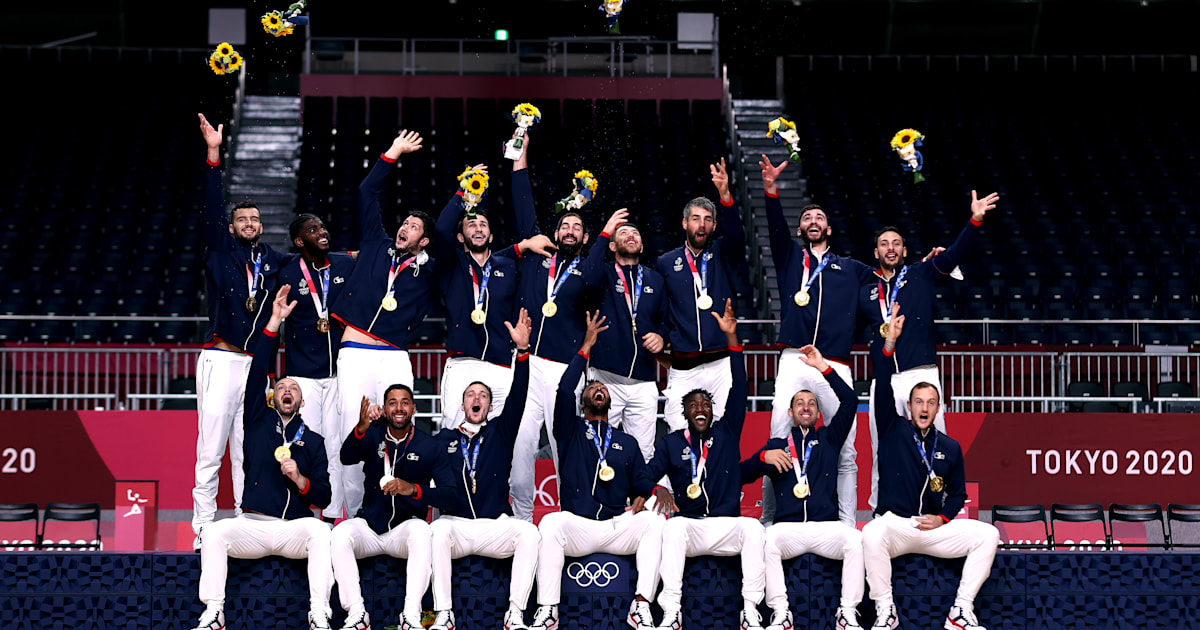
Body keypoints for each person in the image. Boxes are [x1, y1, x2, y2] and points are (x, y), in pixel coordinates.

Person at [190, 286, 334, 630]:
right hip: (253, 526)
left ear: (302, 402)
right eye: (281, 387)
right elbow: (257, 374)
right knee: (213, 534)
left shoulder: (314, 441)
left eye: (293, 389)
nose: (287, 391)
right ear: (273, 397)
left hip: (293, 528)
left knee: (322, 531)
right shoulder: (256, 421)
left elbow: (324, 496)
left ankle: (319, 612)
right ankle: (214, 611)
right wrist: (273, 323)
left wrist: (300, 479)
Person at [863, 303, 999, 630]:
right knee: (870, 533)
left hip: (933, 529)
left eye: (931, 403)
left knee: (988, 534)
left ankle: (961, 610)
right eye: (918, 402)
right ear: (909, 406)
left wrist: (943, 518)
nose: (924, 408)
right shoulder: (892, 428)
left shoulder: (950, 447)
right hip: (897, 525)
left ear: (939, 408)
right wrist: (889, 344)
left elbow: (958, 495)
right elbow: (882, 381)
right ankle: (885, 611)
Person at [758, 154, 877, 528]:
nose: (813, 221)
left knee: (846, 450)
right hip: (794, 358)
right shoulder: (789, 259)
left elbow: (886, 283)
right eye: (807, 217)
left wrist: (927, 267)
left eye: (819, 217)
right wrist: (771, 189)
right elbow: (774, 226)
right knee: (778, 440)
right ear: (800, 229)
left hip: (834, 362)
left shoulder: (851, 268)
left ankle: (846, 525)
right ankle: (770, 519)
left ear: (829, 228)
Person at [861, 190, 999, 509]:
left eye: (896, 243)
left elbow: (954, 255)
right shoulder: (865, 290)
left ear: (905, 250)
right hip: (884, 379)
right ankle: (881, 509)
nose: (890, 248)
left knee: (935, 442)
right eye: (884, 243)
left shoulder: (921, 274)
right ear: (876, 251)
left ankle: (942, 508)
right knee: (882, 446)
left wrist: (975, 220)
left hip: (921, 374)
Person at [527, 311, 664, 630]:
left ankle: (641, 604)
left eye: (602, 388)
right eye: (592, 388)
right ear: (583, 401)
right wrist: (586, 347)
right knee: (551, 523)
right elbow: (564, 391)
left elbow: (642, 481)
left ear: (611, 401)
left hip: (616, 526)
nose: (598, 389)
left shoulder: (626, 441)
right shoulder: (569, 430)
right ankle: (548, 609)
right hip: (579, 526)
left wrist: (649, 492)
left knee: (654, 522)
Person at [192, 113, 292, 547]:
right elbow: (212, 207)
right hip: (221, 359)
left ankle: (243, 522)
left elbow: (315, 261)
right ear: (232, 228)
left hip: (257, 367)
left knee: (248, 449)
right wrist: (214, 155)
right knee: (211, 450)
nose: (249, 224)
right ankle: (202, 528)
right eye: (242, 220)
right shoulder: (220, 252)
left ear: (261, 226)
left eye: (255, 219)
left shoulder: (274, 260)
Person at [328, 130, 439, 520]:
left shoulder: (428, 270)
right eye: (405, 222)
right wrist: (392, 153)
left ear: (424, 241)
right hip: (356, 351)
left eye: (414, 226)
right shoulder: (376, 243)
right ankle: (352, 516)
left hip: (394, 355)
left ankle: (404, 512)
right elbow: (366, 193)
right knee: (354, 426)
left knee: (402, 422)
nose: (406, 226)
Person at [644, 300, 766, 630]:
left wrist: (733, 341)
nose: (700, 409)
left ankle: (750, 609)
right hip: (692, 527)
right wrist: (655, 488)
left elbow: (739, 387)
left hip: (726, 525)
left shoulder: (727, 432)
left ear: (712, 411)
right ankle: (671, 610)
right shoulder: (672, 443)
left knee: (754, 529)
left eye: (706, 405)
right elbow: (644, 475)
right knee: (673, 528)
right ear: (685, 413)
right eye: (694, 405)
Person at [510, 196, 623, 522]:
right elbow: (525, 213)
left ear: (585, 238)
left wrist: (605, 234)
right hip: (527, 363)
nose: (570, 231)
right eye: (565, 226)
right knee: (521, 443)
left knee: (565, 445)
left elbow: (591, 276)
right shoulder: (538, 258)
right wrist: (519, 168)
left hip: (564, 369)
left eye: (577, 227)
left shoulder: (589, 269)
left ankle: (570, 517)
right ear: (556, 233)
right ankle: (522, 520)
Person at [427, 309, 538, 630]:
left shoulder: (500, 432)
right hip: (457, 527)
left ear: (490, 406)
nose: (477, 399)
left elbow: (518, 395)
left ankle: (515, 613)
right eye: (471, 395)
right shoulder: (444, 440)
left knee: (529, 533)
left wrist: (522, 352)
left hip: (493, 526)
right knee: (436, 531)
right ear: (462, 405)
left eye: (483, 396)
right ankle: (443, 613)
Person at [740, 344, 865, 630]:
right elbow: (738, 475)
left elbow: (849, 401)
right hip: (789, 529)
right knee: (767, 539)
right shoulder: (776, 446)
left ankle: (847, 612)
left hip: (825, 527)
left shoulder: (830, 439)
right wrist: (762, 458)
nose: (805, 407)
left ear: (818, 413)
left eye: (811, 403)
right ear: (790, 411)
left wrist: (823, 367)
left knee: (855, 541)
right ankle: (781, 611)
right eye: (800, 403)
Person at [429, 142, 550, 432]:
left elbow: (507, 255)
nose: (478, 228)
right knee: (453, 432)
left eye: (483, 225)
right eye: (471, 225)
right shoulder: (453, 264)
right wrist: (463, 193)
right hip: (462, 362)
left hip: (500, 364)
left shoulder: (506, 265)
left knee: (504, 435)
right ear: (461, 237)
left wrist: (521, 247)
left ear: (491, 235)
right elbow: (440, 230)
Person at [331, 386, 459, 630]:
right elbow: (346, 457)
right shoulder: (373, 434)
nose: (399, 408)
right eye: (392, 402)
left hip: (404, 530)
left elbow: (450, 496)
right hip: (370, 526)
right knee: (340, 534)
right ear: (384, 409)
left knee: (422, 531)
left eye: (404, 402)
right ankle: (357, 612)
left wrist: (414, 489)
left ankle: (411, 614)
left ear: (414, 408)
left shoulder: (429, 445)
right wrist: (361, 428)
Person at [656, 158, 747, 430]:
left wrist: (725, 195)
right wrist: (660, 344)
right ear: (685, 223)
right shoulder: (666, 262)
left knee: (723, 430)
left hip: (720, 363)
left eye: (708, 220)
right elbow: (661, 310)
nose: (702, 225)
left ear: (714, 226)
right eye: (696, 219)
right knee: (676, 427)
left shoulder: (722, 254)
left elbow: (737, 236)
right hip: (683, 366)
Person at [278, 214, 357, 522]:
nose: (322, 232)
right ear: (299, 241)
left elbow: (370, 258)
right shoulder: (286, 270)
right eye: (313, 230)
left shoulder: (344, 264)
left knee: (335, 444)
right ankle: (300, 513)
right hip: (302, 374)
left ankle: (332, 515)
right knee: (305, 444)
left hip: (338, 373)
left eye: (323, 227)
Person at [581, 209, 670, 465]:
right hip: (605, 377)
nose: (630, 235)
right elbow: (586, 276)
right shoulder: (603, 274)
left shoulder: (655, 279)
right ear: (612, 245)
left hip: (643, 381)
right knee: (596, 448)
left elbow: (666, 319)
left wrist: (661, 337)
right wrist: (606, 231)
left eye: (635, 233)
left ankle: (638, 494)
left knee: (643, 454)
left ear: (641, 246)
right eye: (623, 233)